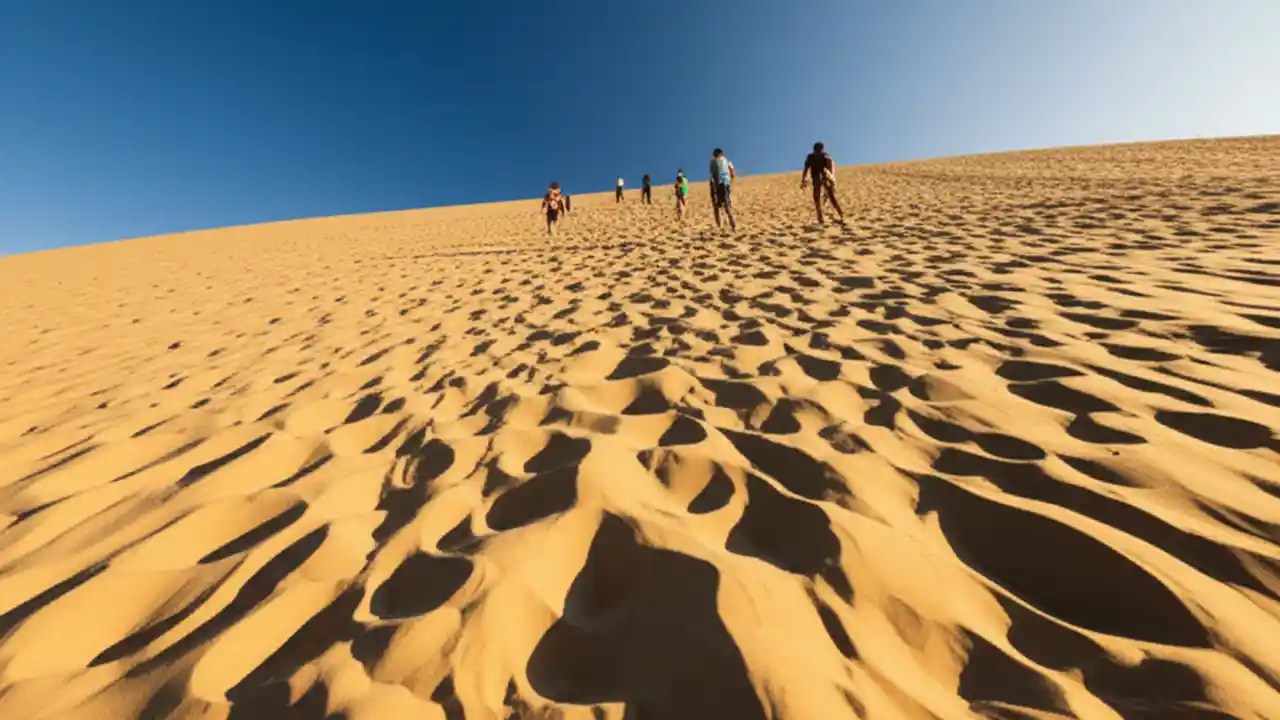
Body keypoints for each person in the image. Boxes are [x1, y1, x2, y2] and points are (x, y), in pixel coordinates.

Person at [801, 141, 846, 225]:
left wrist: (803, 180)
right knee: (821, 198)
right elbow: (806, 169)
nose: (819, 151)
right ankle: (825, 217)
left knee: (826, 197)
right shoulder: (814, 156)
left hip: (822, 178)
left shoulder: (822, 156)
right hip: (819, 178)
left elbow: (829, 169)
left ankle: (839, 215)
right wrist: (803, 180)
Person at [708, 148, 737, 231]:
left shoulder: (713, 161)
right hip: (726, 184)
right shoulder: (727, 161)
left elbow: (712, 175)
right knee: (726, 202)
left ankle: (722, 226)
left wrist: (712, 187)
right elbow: (732, 173)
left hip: (718, 184)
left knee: (717, 206)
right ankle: (732, 224)